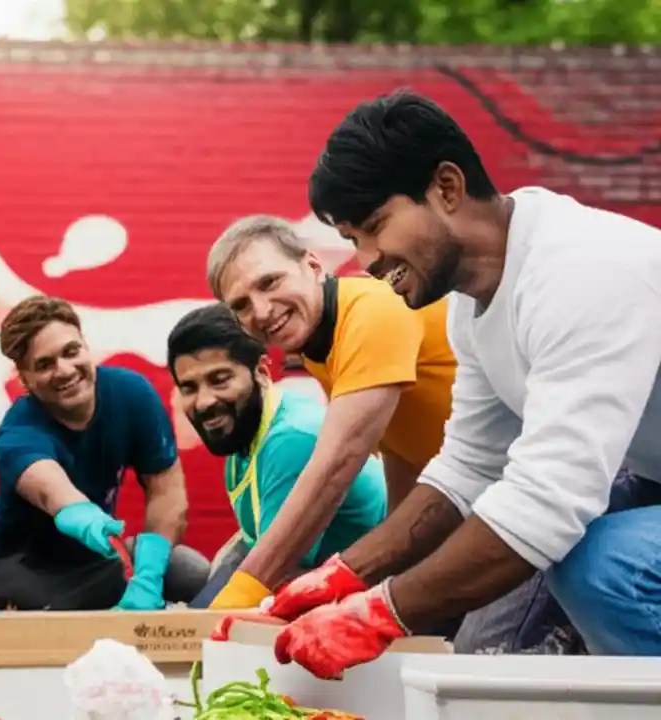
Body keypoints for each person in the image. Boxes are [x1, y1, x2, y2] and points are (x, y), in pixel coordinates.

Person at [262, 90, 661, 679]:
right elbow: (469, 469)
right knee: (485, 648)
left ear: (446, 188)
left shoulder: (581, 270)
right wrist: (348, 573)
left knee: (598, 567)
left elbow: (545, 505)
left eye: (374, 227)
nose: (367, 258)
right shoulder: (471, 307)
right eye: (351, 239)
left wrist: (380, 613)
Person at [202, 213, 456, 611]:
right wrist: (396, 563)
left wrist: (240, 595)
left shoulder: (371, 310)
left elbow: (336, 466)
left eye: (270, 282)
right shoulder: (322, 344)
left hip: (528, 498)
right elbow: (402, 450)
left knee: (483, 647)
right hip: (472, 502)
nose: (263, 311)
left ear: (313, 266)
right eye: (241, 305)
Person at [0, 295, 210, 611]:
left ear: (86, 346)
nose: (65, 370)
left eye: (71, 352)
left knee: (187, 570)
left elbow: (167, 491)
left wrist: (148, 575)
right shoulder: (18, 431)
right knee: (65, 622)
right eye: (44, 365)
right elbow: (48, 487)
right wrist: (80, 514)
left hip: (97, 562)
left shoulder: (132, 394)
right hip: (24, 567)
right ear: (25, 378)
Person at [167, 304, 387, 609]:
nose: (204, 402)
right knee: (179, 568)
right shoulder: (248, 431)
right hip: (311, 578)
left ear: (261, 371)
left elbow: (276, 573)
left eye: (220, 380)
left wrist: (197, 632)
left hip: (368, 595)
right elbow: (247, 545)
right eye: (189, 388)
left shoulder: (290, 439)